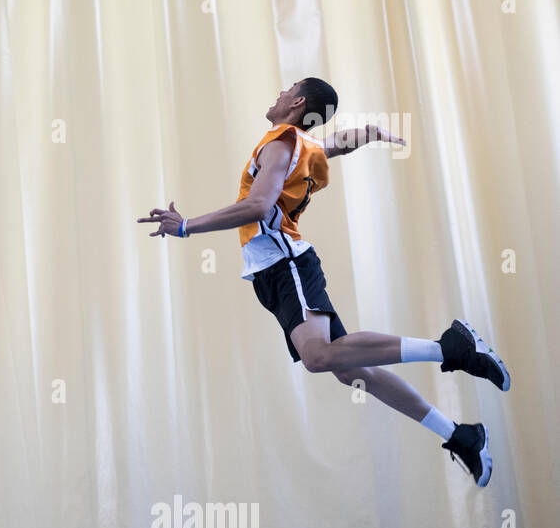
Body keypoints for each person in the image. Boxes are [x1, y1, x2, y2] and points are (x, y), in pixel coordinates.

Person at [138, 78, 509, 486]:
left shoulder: (279, 144)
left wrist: (187, 225)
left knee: (318, 356)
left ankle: (452, 347)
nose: (278, 92)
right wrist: (370, 134)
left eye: (287, 88)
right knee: (352, 371)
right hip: (275, 271)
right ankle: (460, 436)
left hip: (286, 265)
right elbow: (336, 144)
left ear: (297, 102)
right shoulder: (300, 145)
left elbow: (259, 205)